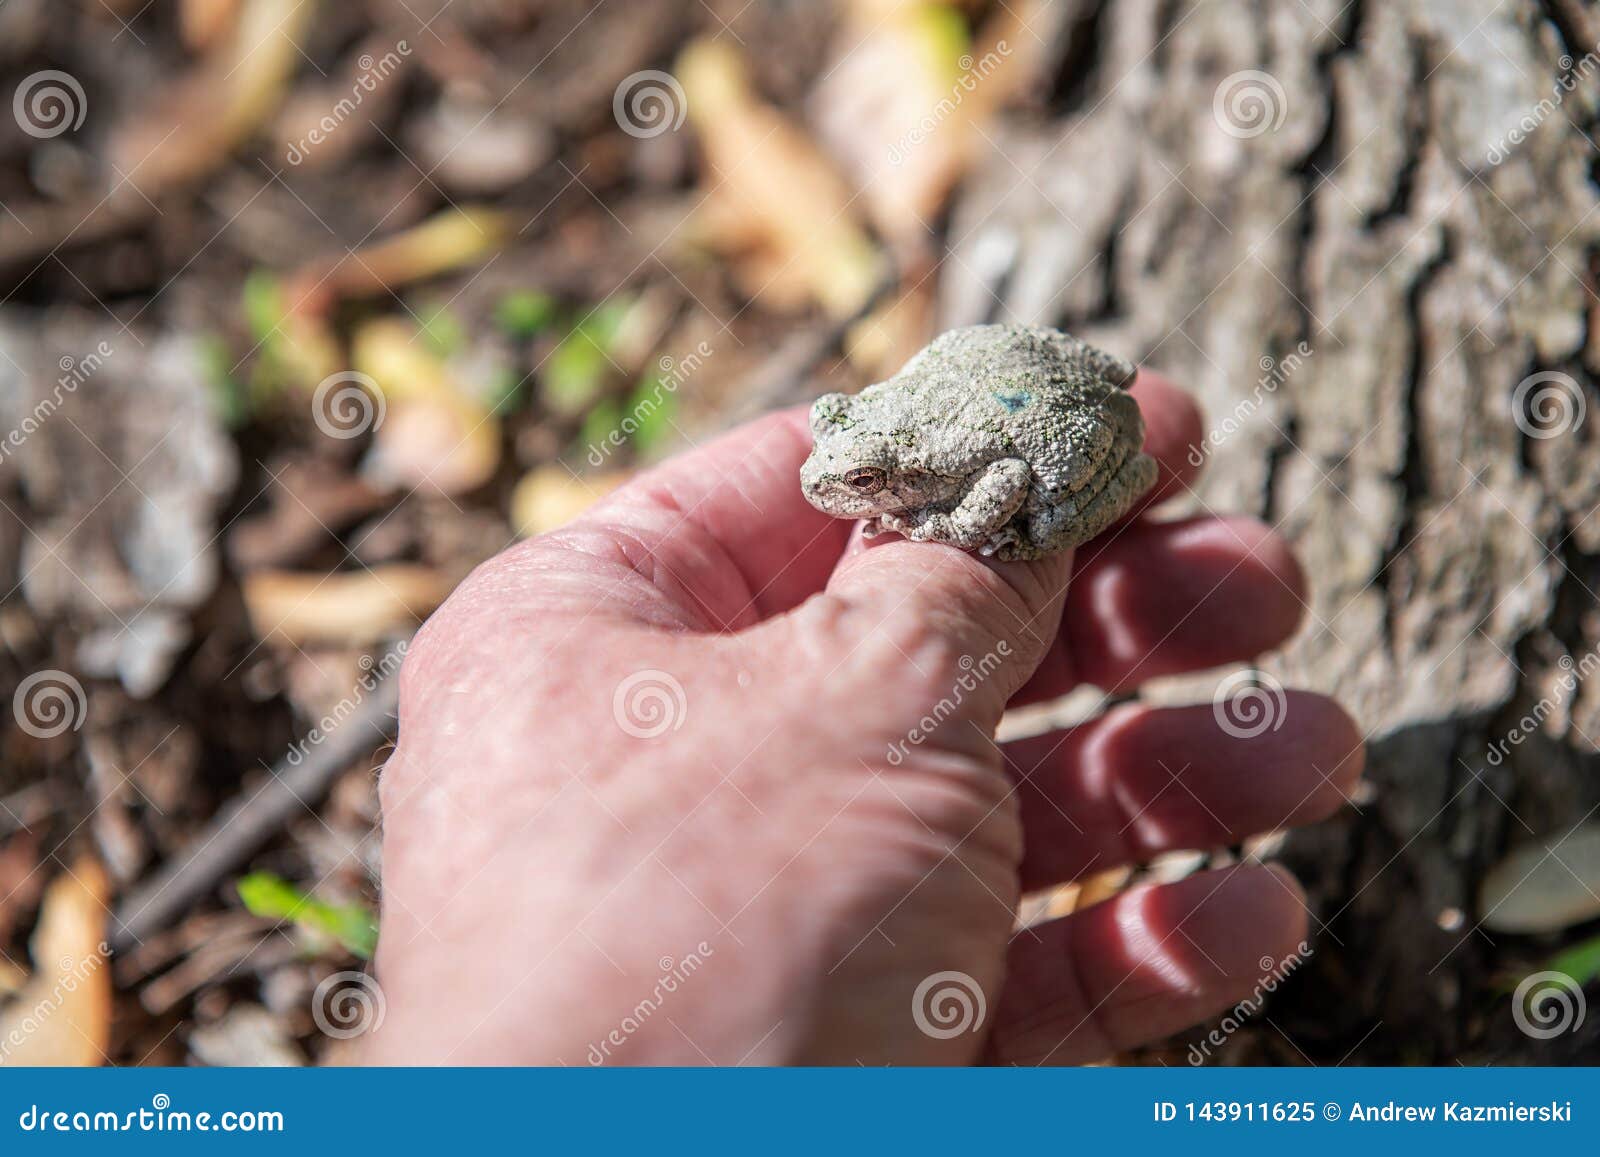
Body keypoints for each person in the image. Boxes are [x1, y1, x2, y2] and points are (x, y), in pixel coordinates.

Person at [365, 370, 1363, 1065]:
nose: (831, 490)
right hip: (982, 394)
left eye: (863, 477)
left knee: (1054, 483)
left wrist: (963, 544)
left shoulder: (938, 477)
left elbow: (1010, 478)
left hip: (1048, 434)